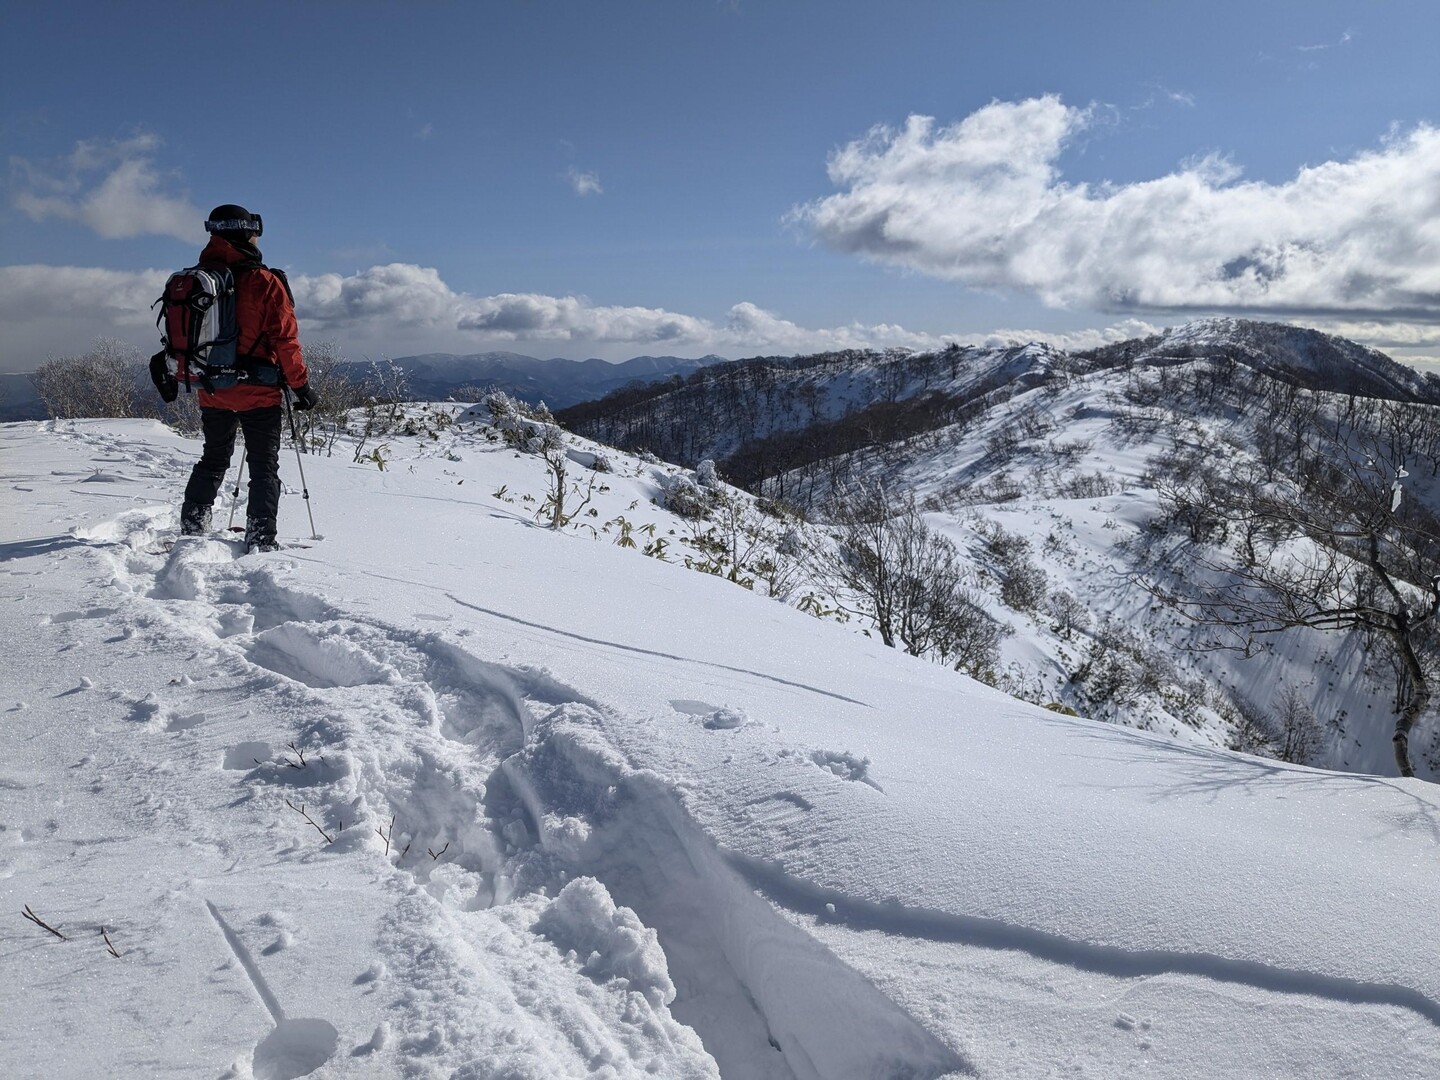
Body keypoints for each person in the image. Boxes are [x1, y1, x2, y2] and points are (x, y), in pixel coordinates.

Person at [176, 204, 317, 552]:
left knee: (214, 456)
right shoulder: (264, 282)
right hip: (259, 391)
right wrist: (301, 388)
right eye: (255, 230)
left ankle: (193, 524)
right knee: (263, 467)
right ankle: (260, 538)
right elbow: (286, 341)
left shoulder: (199, 279)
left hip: (213, 388)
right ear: (245, 232)